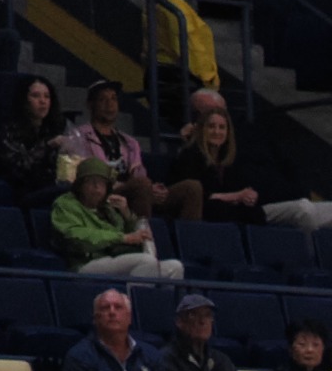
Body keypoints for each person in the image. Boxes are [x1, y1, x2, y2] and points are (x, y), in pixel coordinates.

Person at [180, 90, 332, 233]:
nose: (217, 127)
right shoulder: (206, 151)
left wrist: (299, 190)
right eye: (209, 119)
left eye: (222, 119)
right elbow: (206, 192)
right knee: (304, 209)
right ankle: (313, 263)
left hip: (288, 199)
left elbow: (287, 166)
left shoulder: (251, 133)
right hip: (260, 208)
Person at [63, 80, 202, 221]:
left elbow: (139, 174)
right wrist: (141, 186)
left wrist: (153, 189)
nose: (109, 104)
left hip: (135, 191)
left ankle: (190, 239)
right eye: (102, 99)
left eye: (113, 99)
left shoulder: (129, 142)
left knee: (192, 188)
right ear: (90, 104)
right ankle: (143, 239)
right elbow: (81, 176)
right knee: (142, 185)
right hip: (103, 193)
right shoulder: (79, 136)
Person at [51, 160, 187, 278]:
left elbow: (128, 235)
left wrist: (127, 214)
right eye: (91, 182)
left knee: (175, 267)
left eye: (102, 183)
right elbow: (74, 236)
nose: (97, 188)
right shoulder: (65, 204)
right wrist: (123, 238)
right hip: (86, 263)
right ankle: (134, 305)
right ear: (80, 185)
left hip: (116, 259)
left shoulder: (108, 208)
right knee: (146, 261)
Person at [170, 109, 267, 226]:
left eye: (222, 127)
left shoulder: (228, 159)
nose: (217, 132)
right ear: (202, 129)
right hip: (200, 208)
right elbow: (200, 195)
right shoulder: (190, 154)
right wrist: (237, 196)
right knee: (219, 209)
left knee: (255, 213)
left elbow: (239, 188)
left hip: (224, 206)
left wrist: (248, 196)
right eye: (211, 126)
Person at [0, 76, 70, 207]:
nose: (43, 101)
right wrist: (47, 146)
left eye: (47, 97)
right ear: (24, 100)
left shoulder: (54, 128)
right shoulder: (10, 131)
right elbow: (19, 167)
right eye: (36, 96)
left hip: (54, 186)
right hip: (26, 190)